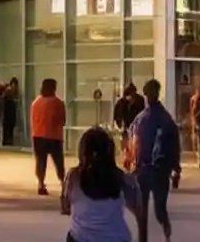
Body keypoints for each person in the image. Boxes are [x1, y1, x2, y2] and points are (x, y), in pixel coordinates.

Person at [61, 127, 145, 242]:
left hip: (81, 239)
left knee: (73, 235)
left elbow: (65, 208)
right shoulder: (123, 179)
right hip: (117, 239)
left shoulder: (73, 177)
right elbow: (140, 215)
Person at [131, 79, 179, 242]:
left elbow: (174, 145)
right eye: (147, 93)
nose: (149, 96)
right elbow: (134, 143)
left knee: (159, 209)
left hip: (159, 170)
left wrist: (176, 168)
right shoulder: (140, 119)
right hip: (143, 170)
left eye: (152, 92)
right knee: (141, 211)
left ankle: (165, 225)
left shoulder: (165, 119)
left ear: (156, 94)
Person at [31, 77, 68, 196]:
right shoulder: (58, 102)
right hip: (54, 136)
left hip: (38, 135)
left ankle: (41, 184)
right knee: (58, 162)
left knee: (40, 161)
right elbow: (62, 120)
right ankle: (63, 183)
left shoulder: (36, 102)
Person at [114, 83, 146, 163]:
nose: (131, 97)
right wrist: (120, 126)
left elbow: (142, 114)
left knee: (136, 146)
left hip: (136, 128)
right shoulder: (121, 103)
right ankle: (127, 159)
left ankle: (134, 159)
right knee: (126, 146)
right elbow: (117, 116)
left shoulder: (140, 101)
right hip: (126, 127)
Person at [2, 78, 20, 146]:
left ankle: (8, 141)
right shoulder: (9, 100)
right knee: (8, 128)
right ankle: (7, 141)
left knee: (9, 128)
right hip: (8, 113)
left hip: (10, 113)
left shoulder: (11, 100)